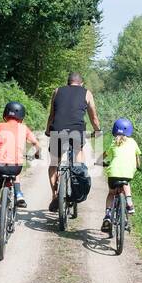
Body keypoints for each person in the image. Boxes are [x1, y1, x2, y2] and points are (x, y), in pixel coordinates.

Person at [43, 72, 101, 211]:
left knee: (54, 163)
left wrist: (47, 130)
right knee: (78, 157)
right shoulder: (86, 93)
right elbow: (93, 117)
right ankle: (77, 182)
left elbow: (52, 114)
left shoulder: (57, 91)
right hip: (76, 131)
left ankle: (54, 195)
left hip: (57, 129)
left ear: (68, 82)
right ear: (81, 83)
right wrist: (97, 130)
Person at [0, 101, 40, 236]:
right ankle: (18, 193)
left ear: (5, 115)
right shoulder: (24, 128)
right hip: (16, 168)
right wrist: (36, 153)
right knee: (15, 166)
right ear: (22, 117)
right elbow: (36, 144)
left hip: (0, 167)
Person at [99, 117, 140, 234]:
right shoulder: (133, 142)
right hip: (127, 173)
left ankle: (107, 215)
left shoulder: (114, 143)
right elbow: (137, 159)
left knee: (111, 193)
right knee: (126, 183)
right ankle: (129, 203)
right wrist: (137, 166)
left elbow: (105, 154)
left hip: (113, 174)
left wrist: (98, 161)